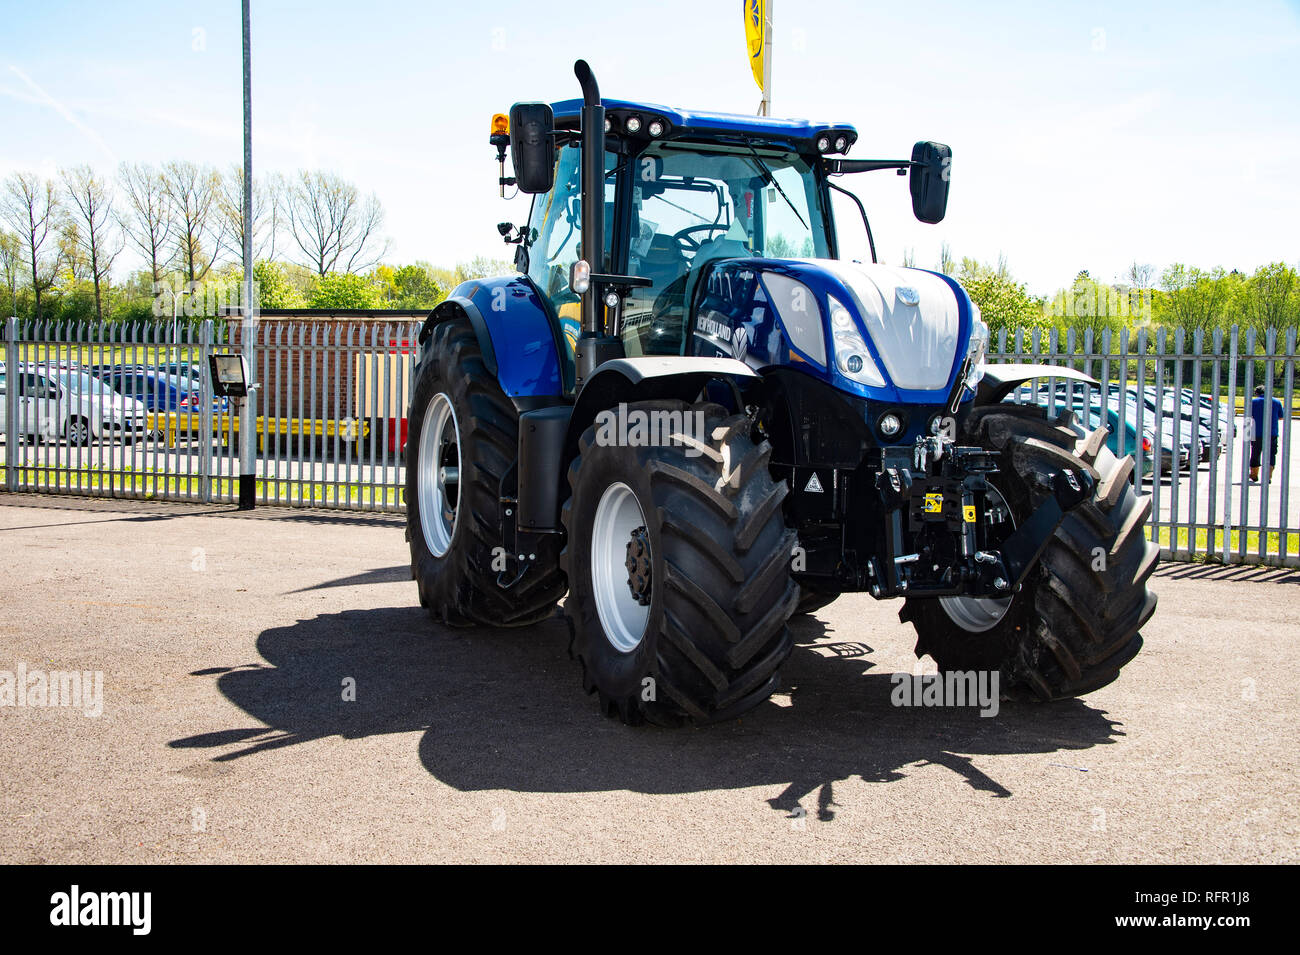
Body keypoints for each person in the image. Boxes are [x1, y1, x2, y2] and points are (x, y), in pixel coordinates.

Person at [1248, 384, 1284, 482]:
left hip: (1257, 433)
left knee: (1255, 453)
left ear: (1257, 393)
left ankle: (1254, 474)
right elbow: (1281, 417)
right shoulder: (1277, 402)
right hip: (1272, 433)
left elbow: (1248, 416)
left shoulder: (1253, 402)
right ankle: (1268, 476)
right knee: (1271, 454)